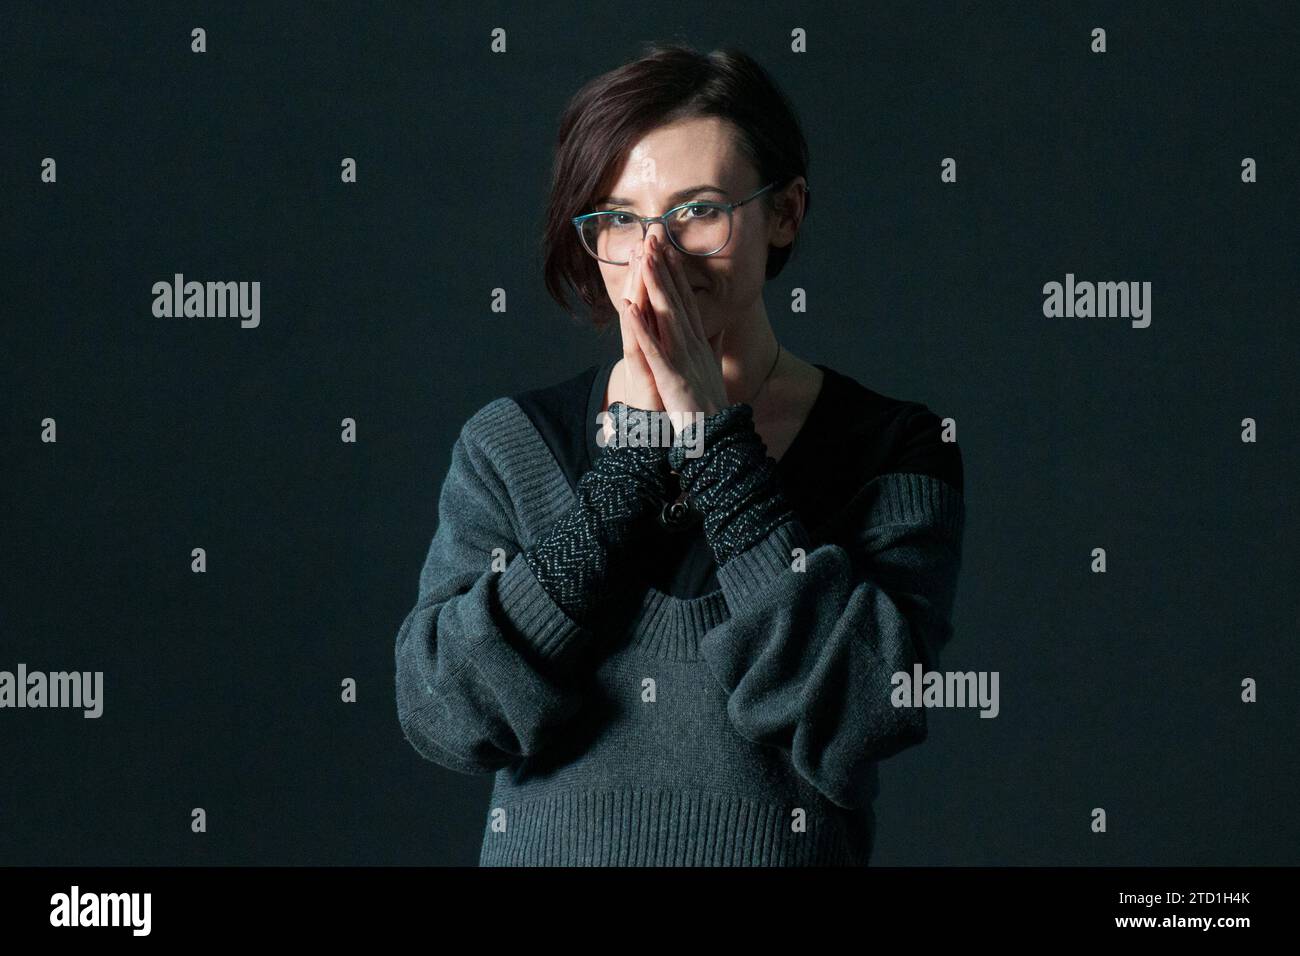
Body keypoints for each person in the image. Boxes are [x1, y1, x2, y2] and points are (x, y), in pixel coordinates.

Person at [394, 43, 966, 866]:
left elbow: (867, 714)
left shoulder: (892, 448)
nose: (653, 257)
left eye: (697, 211)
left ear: (785, 213)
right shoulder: (510, 444)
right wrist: (628, 464)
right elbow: (445, 715)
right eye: (620, 219)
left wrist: (715, 446)